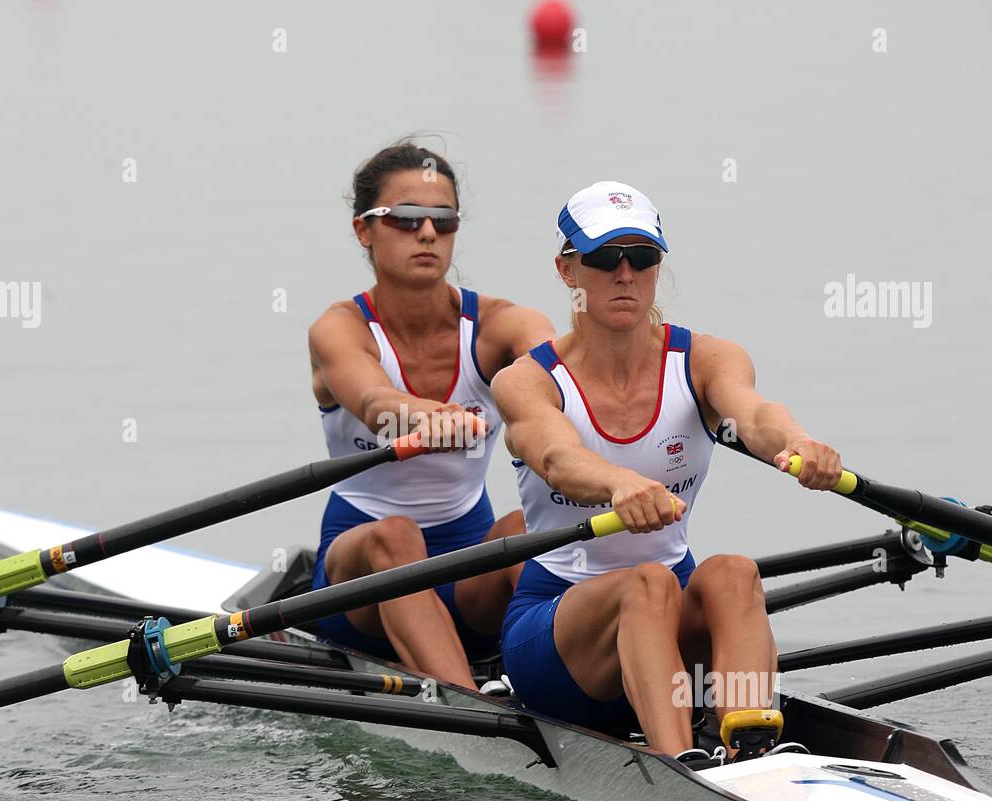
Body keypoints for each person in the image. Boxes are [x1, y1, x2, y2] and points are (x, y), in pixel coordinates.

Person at [492, 180, 843, 759]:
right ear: (567, 270)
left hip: (669, 628)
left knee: (732, 571)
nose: (625, 274)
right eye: (605, 258)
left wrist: (798, 442)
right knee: (646, 582)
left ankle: (751, 745)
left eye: (642, 257)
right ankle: (684, 766)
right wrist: (618, 482)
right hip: (559, 637)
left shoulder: (706, 358)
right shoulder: (527, 380)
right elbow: (556, 458)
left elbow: (755, 415)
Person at [308, 142, 554, 687]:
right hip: (358, 584)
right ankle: (471, 706)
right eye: (405, 218)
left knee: (526, 530)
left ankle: (583, 687)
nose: (426, 234)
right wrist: (422, 416)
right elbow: (374, 403)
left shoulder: (501, 325)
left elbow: (562, 372)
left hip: (464, 572)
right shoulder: (339, 329)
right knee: (394, 535)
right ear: (363, 230)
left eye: (443, 221)